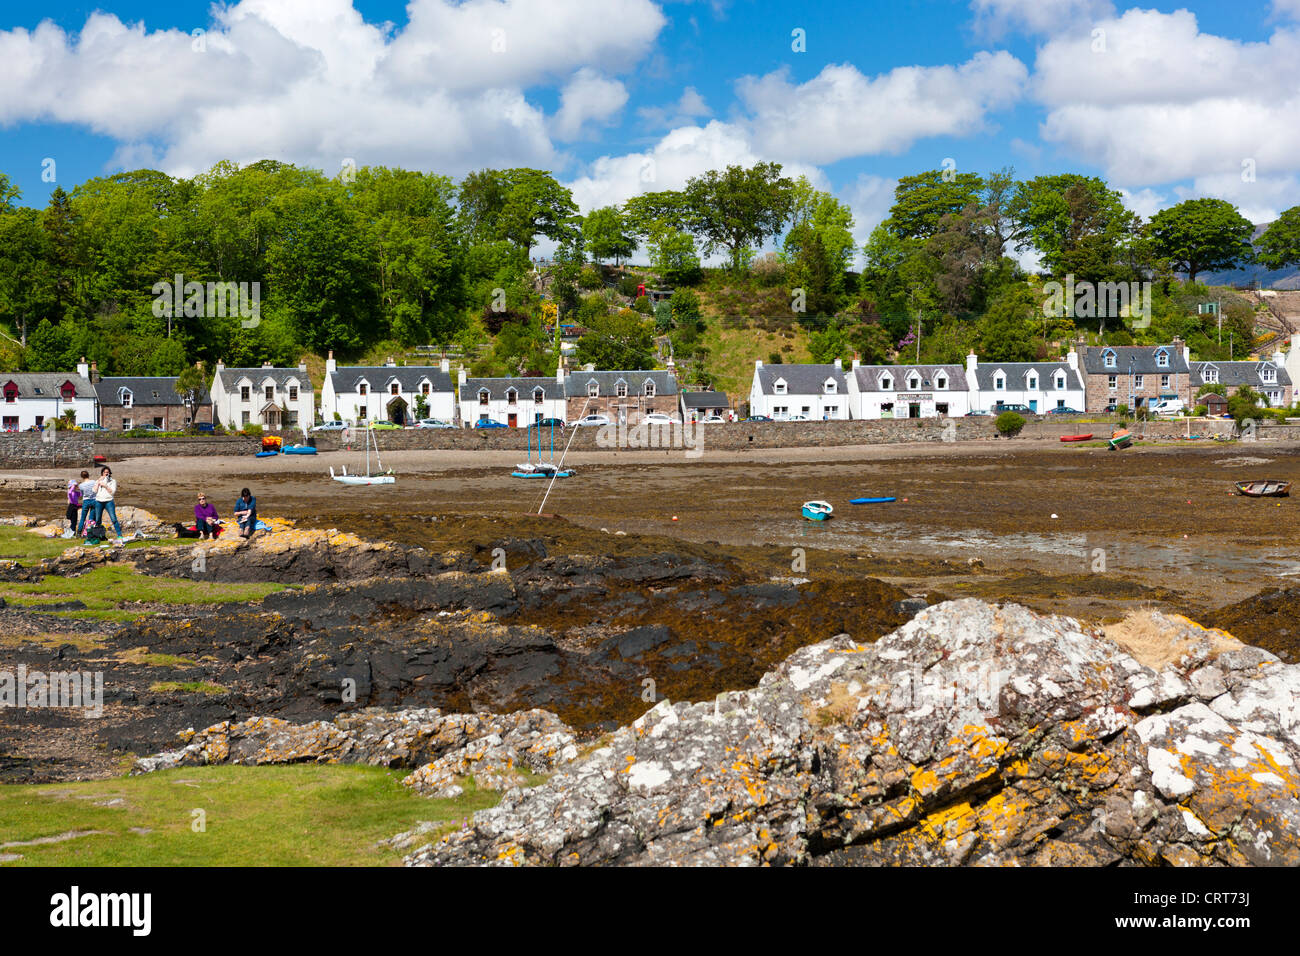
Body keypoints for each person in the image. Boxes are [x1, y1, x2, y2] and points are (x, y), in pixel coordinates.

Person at [92, 466, 122, 540]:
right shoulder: (98, 481)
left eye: (107, 472)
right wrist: (98, 482)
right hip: (99, 501)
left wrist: (105, 486)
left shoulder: (112, 481)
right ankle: (98, 536)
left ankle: (119, 535)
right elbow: (94, 491)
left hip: (109, 501)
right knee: (98, 519)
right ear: (102, 473)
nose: (106, 474)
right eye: (105, 472)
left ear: (110, 473)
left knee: (113, 519)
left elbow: (112, 492)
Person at [74, 470, 96, 536]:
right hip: (94, 500)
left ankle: (79, 532)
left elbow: (82, 493)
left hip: (86, 501)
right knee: (91, 518)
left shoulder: (81, 485)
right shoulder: (93, 482)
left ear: (82, 477)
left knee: (83, 518)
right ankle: (89, 531)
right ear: (88, 475)